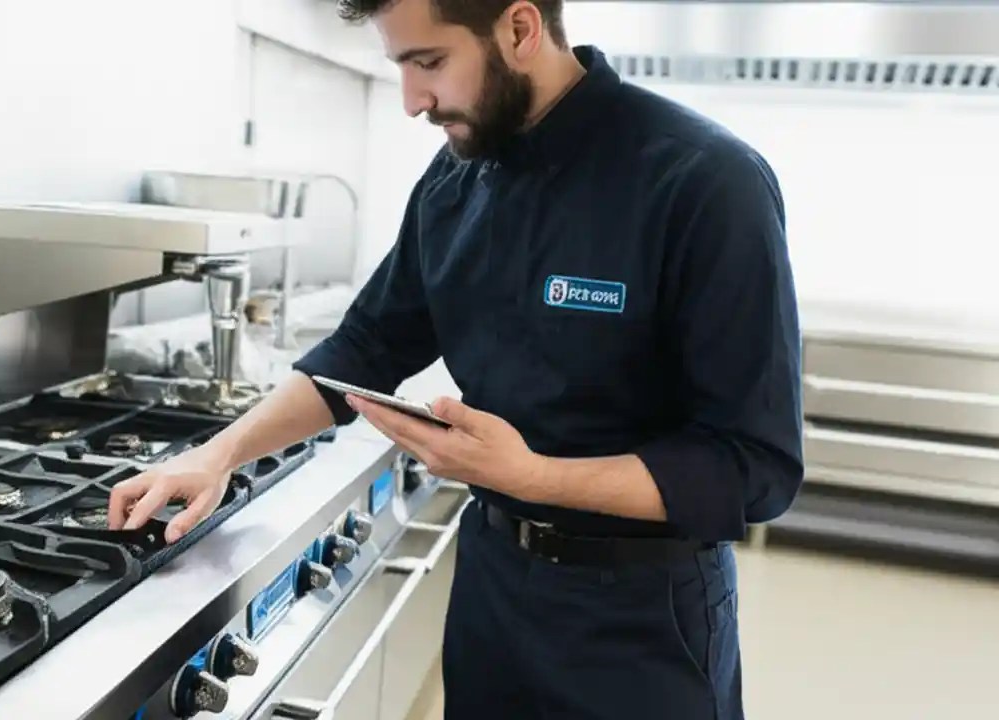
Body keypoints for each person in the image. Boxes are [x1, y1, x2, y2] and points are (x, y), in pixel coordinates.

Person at [109, 0, 804, 717]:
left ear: (520, 29)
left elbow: (753, 466)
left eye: (429, 63)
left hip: (644, 618)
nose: (413, 102)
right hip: (494, 594)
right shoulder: (455, 184)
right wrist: (220, 456)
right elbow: (365, 348)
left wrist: (532, 476)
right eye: (401, 66)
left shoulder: (705, 182)